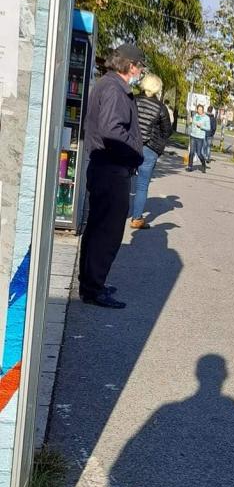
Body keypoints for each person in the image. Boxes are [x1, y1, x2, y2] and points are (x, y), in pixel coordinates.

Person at [78, 43, 145, 308]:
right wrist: (134, 152)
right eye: (140, 66)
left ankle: (91, 283)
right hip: (112, 169)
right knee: (107, 232)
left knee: (97, 229)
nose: (141, 72)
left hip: (104, 167)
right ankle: (93, 288)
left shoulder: (106, 84)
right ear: (130, 66)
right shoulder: (116, 89)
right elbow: (111, 131)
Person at [130, 73, 173, 230]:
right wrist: (159, 142)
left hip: (130, 145)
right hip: (150, 149)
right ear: (157, 88)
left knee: (123, 179)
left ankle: (116, 213)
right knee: (142, 185)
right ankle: (136, 219)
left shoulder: (133, 100)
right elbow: (167, 130)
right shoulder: (160, 107)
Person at [187, 103, 211, 173]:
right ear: (197, 110)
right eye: (198, 109)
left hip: (200, 137)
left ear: (203, 110)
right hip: (193, 136)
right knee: (191, 152)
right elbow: (192, 125)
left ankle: (203, 164)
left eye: (201, 109)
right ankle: (190, 166)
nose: (199, 110)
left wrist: (201, 126)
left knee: (199, 153)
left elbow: (208, 128)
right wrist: (190, 122)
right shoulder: (195, 115)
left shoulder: (206, 118)